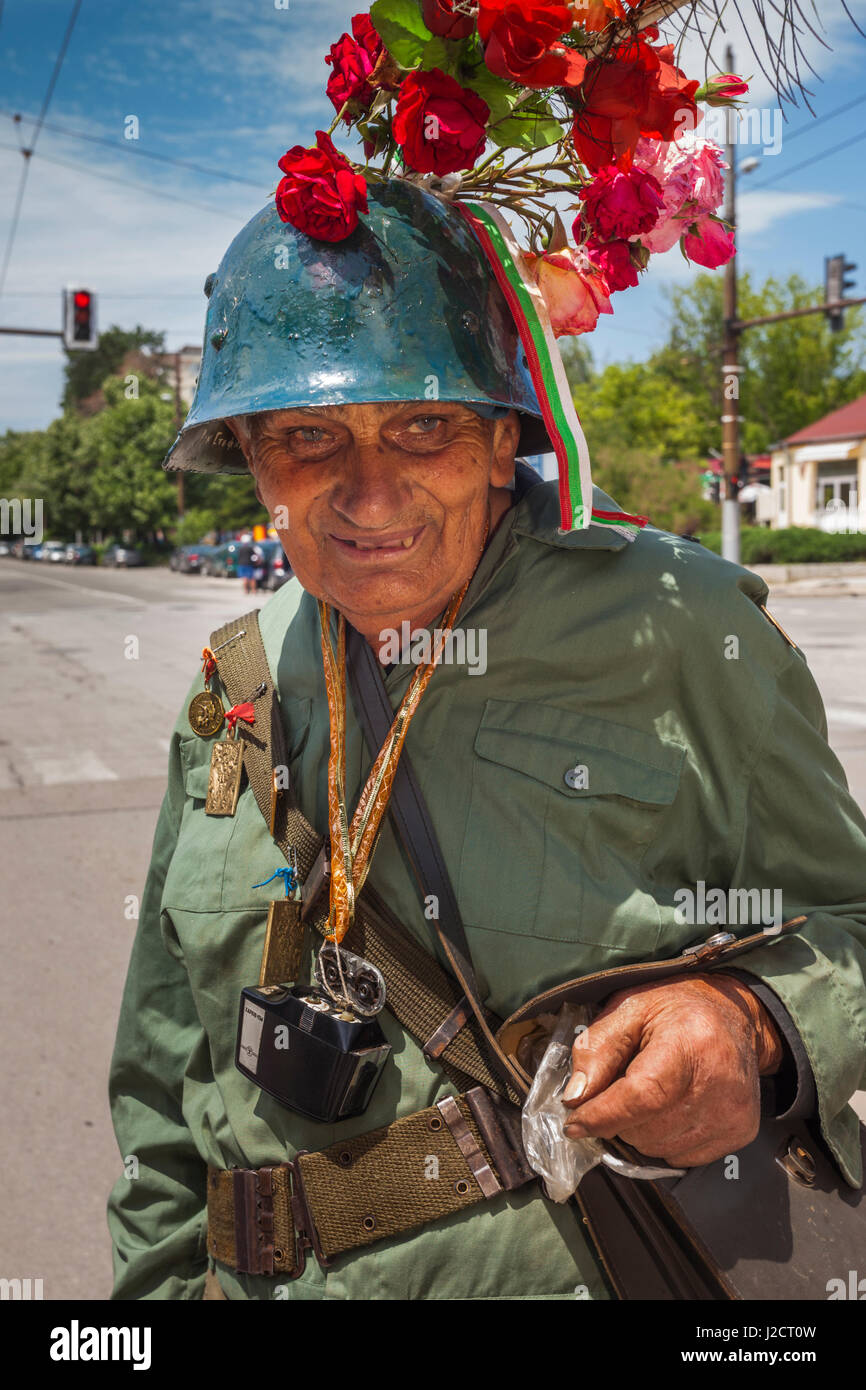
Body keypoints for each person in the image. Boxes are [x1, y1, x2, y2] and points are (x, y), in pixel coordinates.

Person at [105, 180, 866, 1301]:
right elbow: (160, 1077)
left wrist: (754, 1020)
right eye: (309, 436)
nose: (370, 493)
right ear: (252, 460)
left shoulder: (679, 629)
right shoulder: (235, 681)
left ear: (505, 436)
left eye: (424, 425)